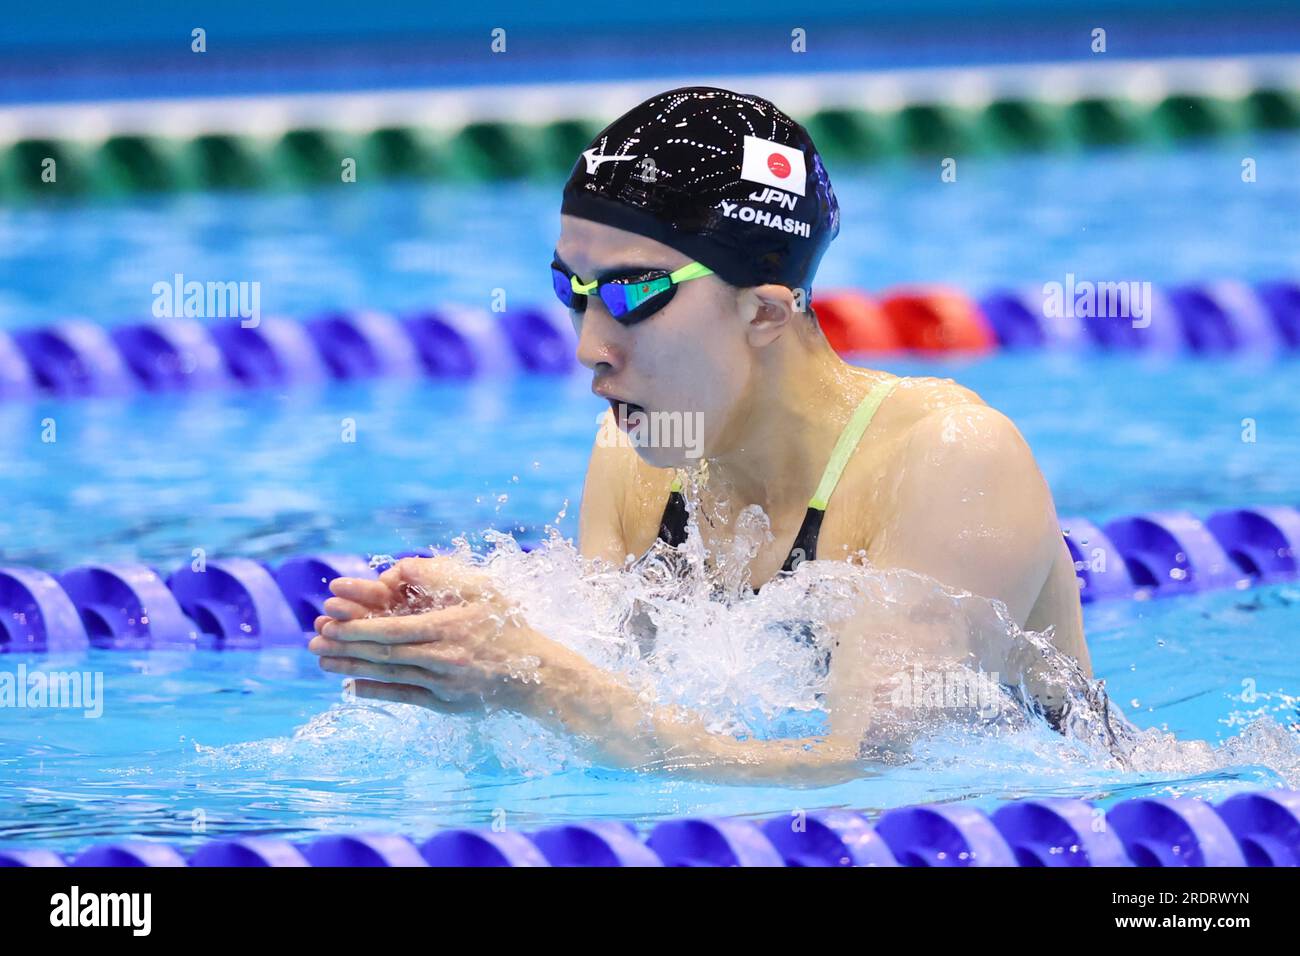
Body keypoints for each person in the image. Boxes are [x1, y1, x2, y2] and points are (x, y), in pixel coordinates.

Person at [308, 87, 1094, 784]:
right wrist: (487, 653)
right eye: (572, 290)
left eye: (633, 291)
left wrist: (546, 683)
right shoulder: (637, 453)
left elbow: (872, 778)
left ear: (764, 311)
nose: (590, 344)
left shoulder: (949, 460)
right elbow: (618, 712)